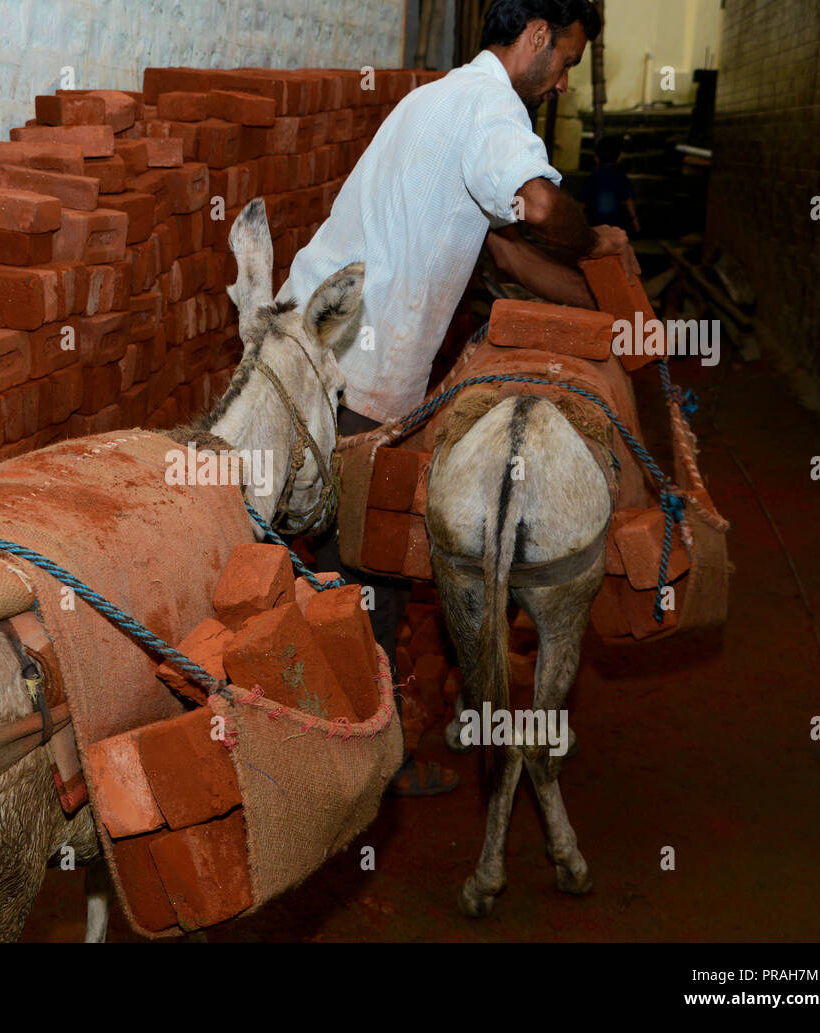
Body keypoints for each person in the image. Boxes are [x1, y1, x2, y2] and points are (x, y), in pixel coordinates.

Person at [281, 0, 640, 795]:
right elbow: (543, 209)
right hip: (350, 369)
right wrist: (597, 239)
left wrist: (602, 309)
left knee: (334, 557)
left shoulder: (440, 103)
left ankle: (331, 742)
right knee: (362, 572)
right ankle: (352, 772)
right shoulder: (489, 107)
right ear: (539, 37)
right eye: (570, 60)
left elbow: (509, 255)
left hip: (316, 351)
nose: (565, 82)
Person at [582, 134, 641, 233]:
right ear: (619, 157)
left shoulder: (593, 178)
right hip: (616, 225)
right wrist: (635, 220)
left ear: (596, 158)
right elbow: (629, 201)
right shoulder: (621, 178)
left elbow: (582, 203)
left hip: (595, 224)